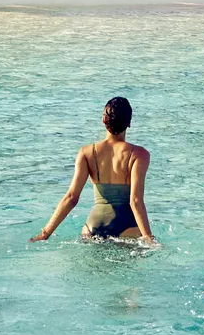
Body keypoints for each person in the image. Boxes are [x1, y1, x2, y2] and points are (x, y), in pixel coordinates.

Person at [30, 96, 155, 245]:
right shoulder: (139, 154)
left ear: (103, 120)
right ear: (129, 123)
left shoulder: (87, 152)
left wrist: (44, 234)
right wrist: (148, 238)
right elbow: (135, 201)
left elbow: (71, 197)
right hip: (127, 226)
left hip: (93, 227)